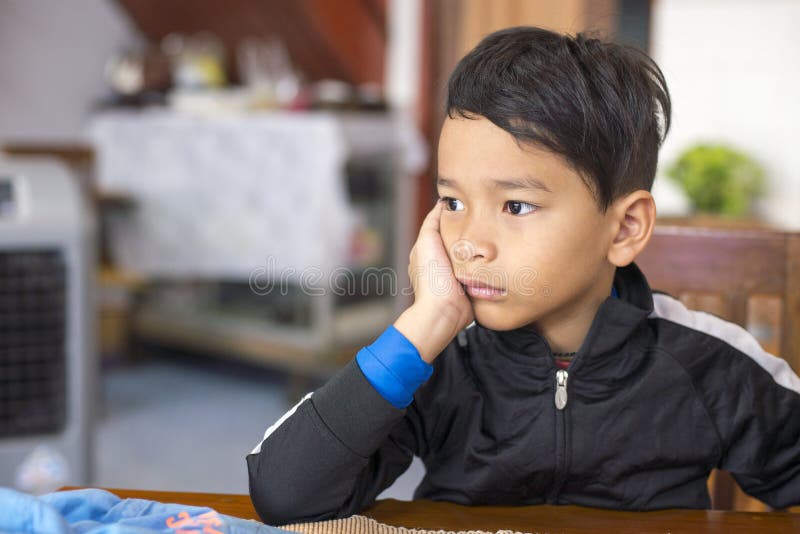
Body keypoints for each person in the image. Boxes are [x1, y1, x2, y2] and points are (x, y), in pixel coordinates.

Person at [246, 26, 800, 524]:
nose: (469, 244)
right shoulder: (433, 358)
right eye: (452, 201)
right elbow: (283, 492)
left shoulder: (711, 363)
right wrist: (427, 322)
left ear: (625, 227)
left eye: (515, 206)